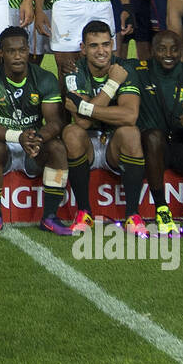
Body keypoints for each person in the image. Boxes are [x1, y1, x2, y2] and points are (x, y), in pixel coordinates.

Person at [118, 30, 183, 236]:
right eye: (162, 49)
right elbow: (108, 63)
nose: (169, 54)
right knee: (153, 136)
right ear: (152, 50)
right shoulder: (139, 70)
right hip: (154, 151)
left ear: (181, 50)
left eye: (174, 49)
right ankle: (162, 210)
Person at [0, 26, 68, 235]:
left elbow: (55, 121)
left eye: (22, 50)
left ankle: (50, 216)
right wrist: (18, 137)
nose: (18, 56)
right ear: (1, 52)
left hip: (34, 144)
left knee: (58, 149)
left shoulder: (44, 78)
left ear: (28, 50)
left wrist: (39, 137)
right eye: (11, 51)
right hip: (4, 141)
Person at [58, 21, 147, 236]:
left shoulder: (124, 68)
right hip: (86, 143)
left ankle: (132, 215)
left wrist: (83, 105)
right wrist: (112, 85)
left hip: (114, 144)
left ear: (113, 44)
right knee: (71, 132)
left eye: (106, 44)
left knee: (131, 132)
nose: (101, 51)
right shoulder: (73, 71)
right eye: (94, 46)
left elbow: (129, 115)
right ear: (83, 48)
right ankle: (84, 212)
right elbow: (83, 123)